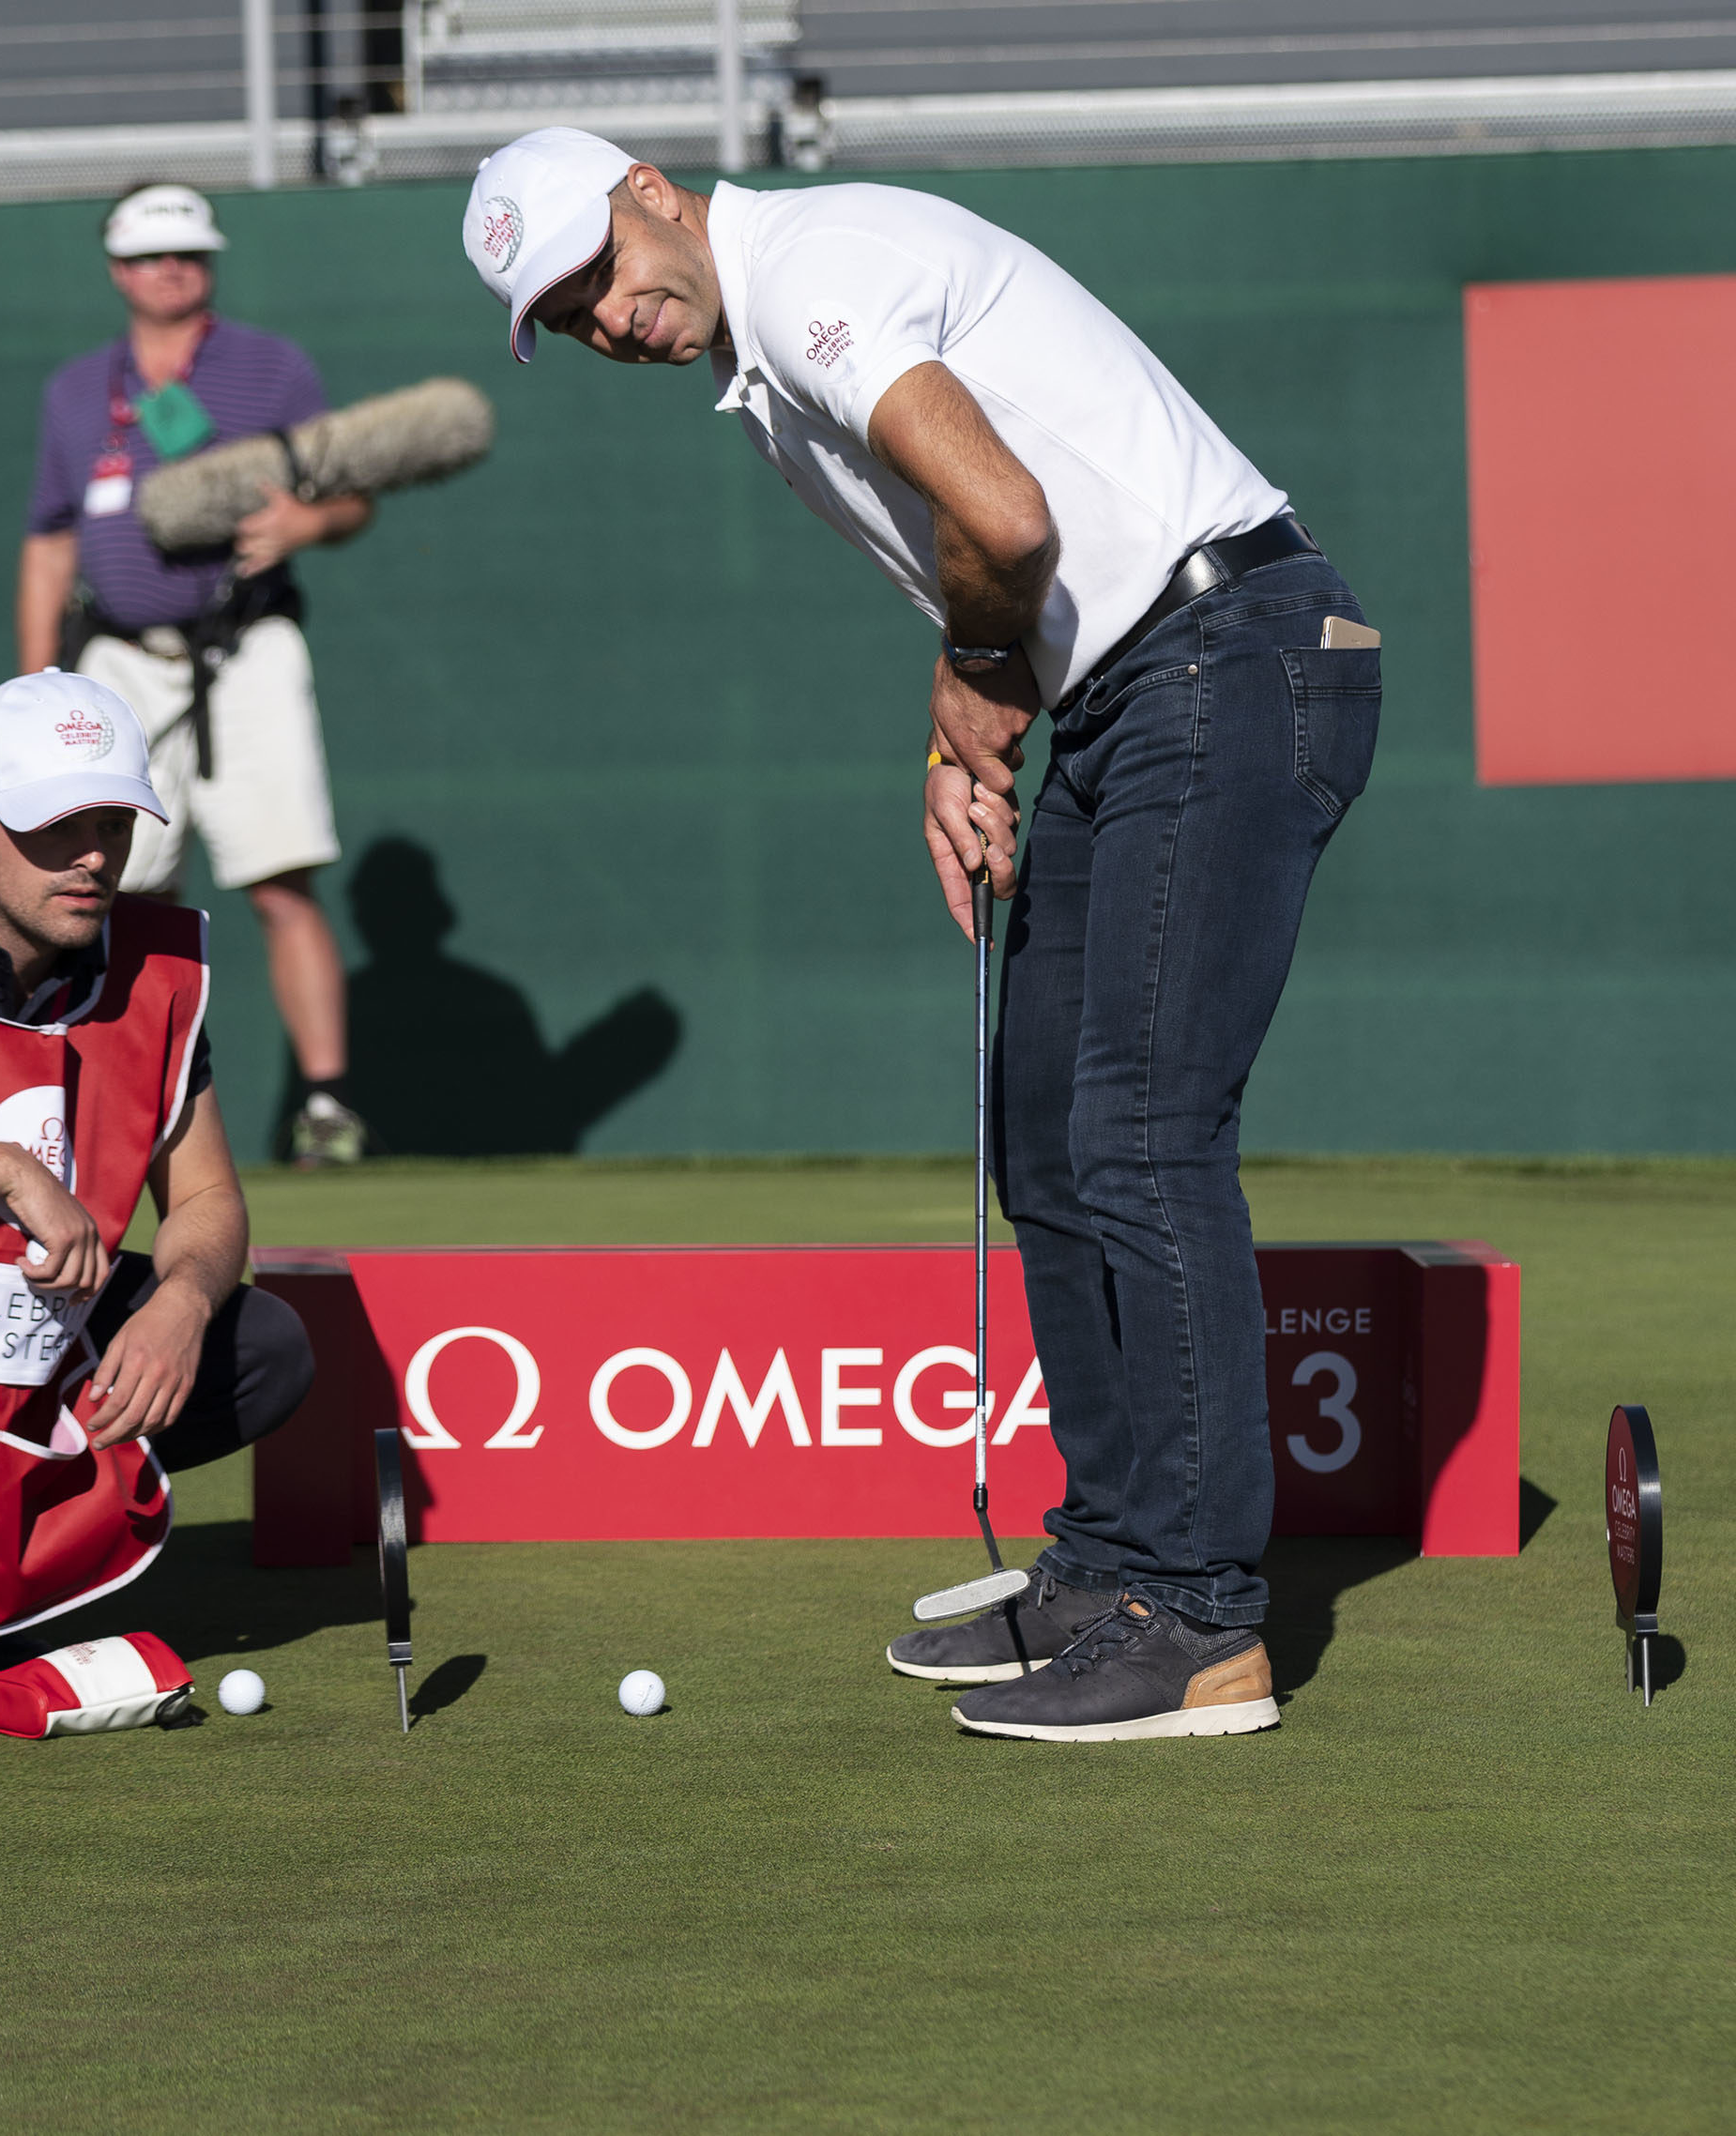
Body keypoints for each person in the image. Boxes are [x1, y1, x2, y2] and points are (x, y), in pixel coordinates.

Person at [461, 130, 1382, 1743]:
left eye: (601, 269)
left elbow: (1005, 527)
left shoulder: (813, 269)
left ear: (656, 192)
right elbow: (1006, 568)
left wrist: (972, 672)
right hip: (1133, 689)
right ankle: (1111, 1568)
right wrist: (972, 738)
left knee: (1144, 1137)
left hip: (1229, 658)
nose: (609, 319)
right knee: (1049, 1137)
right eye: (569, 315)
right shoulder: (766, 353)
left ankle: (1203, 1622)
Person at [0, 670, 314, 1646]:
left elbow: (209, 1196)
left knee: (262, 1349)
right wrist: (8, 1171)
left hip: (39, 1335)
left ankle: (8, 1562)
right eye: (57, 826)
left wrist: (181, 1304)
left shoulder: (156, 968)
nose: (94, 857)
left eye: (116, 825)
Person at [19, 183, 373, 1170]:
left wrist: (309, 523)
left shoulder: (271, 367)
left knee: (280, 881)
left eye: (188, 254)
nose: (170, 271)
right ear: (117, 271)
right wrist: (36, 689)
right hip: (119, 661)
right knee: (110, 894)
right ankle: (99, 1101)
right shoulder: (77, 390)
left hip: (246, 649)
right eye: (149, 257)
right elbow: (49, 545)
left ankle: (327, 1108)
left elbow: (345, 499)